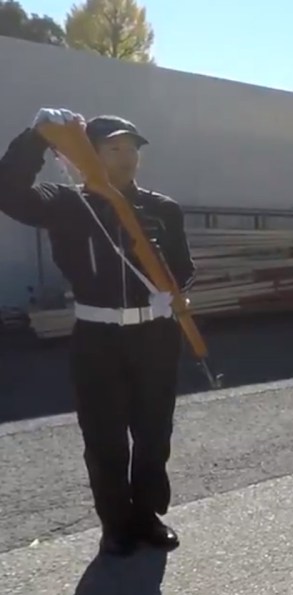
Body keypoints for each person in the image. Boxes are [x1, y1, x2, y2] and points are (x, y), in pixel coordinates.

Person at [0, 109, 194, 556]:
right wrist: (34, 139)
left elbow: (184, 266)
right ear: (91, 153)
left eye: (132, 149)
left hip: (156, 337)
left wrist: (174, 289)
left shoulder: (163, 208)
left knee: (153, 434)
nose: (126, 157)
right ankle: (116, 525)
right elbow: (8, 193)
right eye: (114, 148)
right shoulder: (67, 203)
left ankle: (147, 515)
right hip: (98, 337)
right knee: (104, 437)